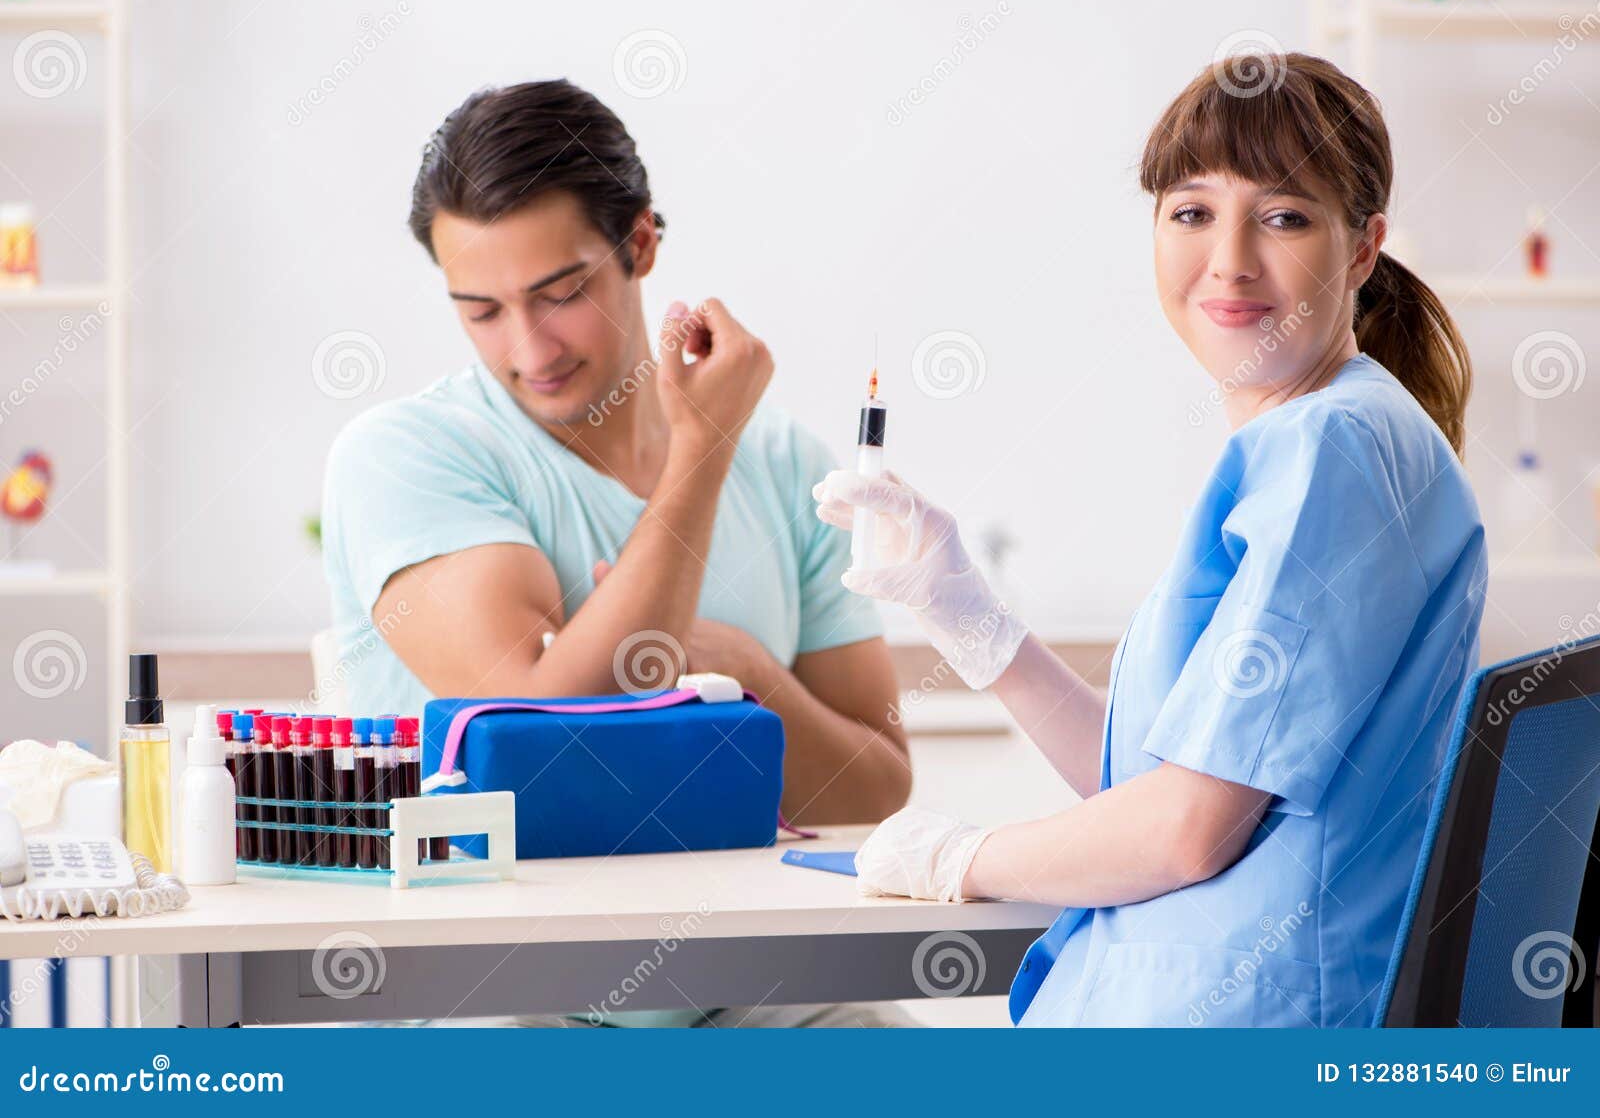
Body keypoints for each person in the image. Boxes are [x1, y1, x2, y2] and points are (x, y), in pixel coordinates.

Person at [814, 52, 1486, 1027]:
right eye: (1191, 212)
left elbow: (1182, 835)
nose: (1229, 260)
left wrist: (961, 858)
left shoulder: (1329, 451)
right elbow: (1154, 789)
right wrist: (970, 621)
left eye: (1285, 216)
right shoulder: (1322, 441)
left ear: (1361, 248)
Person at [320, 80, 912, 1027]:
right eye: (480, 310)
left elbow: (878, 790)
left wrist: (753, 677)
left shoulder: (785, 460)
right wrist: (701, 453)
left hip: (759, 992)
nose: (528, 348)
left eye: (561, 294)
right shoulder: (405, 457)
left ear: (640, 245)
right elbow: (536, 740)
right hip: (504, 997)